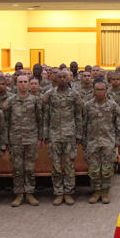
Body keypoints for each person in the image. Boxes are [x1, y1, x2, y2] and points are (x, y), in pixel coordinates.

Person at [42, 70, 83, 206]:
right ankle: (59, 193)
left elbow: (78, 115)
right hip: (54, 135)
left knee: (69, 166)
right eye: (60, 77)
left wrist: (79, 134)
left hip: (70, 134)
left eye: (65, 77)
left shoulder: (74, 94)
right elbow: (46, 115)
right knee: (56, 166)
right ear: (56, 78)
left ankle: (69, 193)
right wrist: (45, 134)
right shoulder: (50, 94)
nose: (62, 79)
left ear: (69, 78)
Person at [83, 81, 120, 204]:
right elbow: (83, 124)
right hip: (92, 142)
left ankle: (105, 192)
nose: (100, 92)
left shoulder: (113, 106)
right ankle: (96, 191)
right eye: (97, 89)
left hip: (108, 142)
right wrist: (84, 141)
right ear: (93, 90)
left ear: (106, 90)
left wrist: (117, 141)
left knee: (107, 169)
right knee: (94, 169)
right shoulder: (88, 106)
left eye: (102, 89)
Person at [4, 75, 42, 207]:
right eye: (20, 82)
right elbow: (6, 121)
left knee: (30, 168)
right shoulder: (10, 101)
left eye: (25, 82)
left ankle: (30, 193)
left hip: (31, 139)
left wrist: (39, 138)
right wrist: (7, 140)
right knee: (18, 169)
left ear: (29, 84)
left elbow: (40, 120)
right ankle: (19, 194)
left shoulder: (35, 100)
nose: (23, 84)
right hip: (15, 139)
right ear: (16, 84)